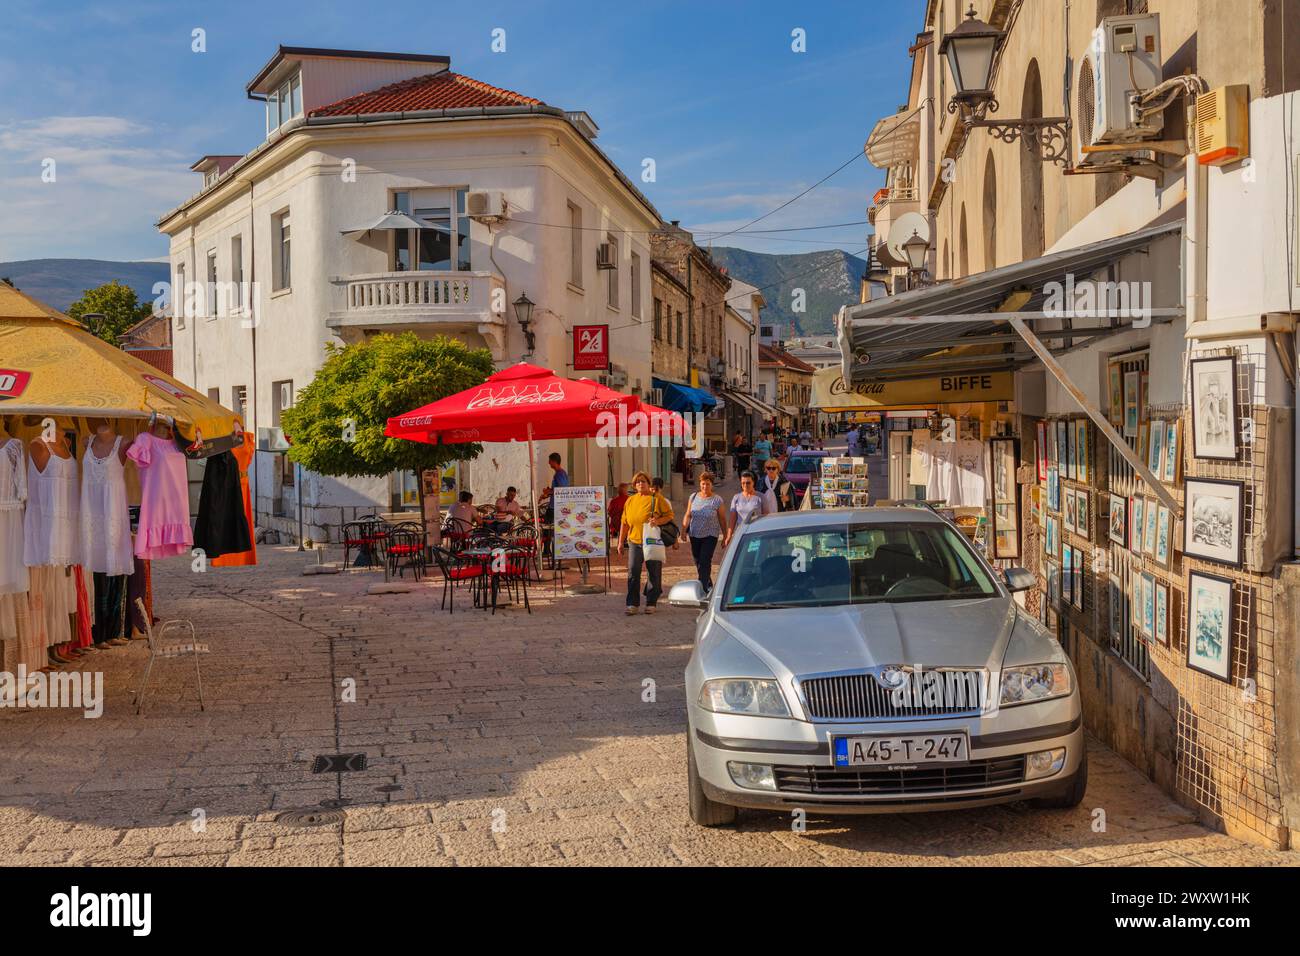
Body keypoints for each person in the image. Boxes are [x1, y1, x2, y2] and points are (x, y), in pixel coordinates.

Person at [616, 472, 674, 615]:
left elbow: (669, 515)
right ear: (634, 485)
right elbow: (624, 522)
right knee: (633, 572)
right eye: (638, 482)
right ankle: (632, 604)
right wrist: (620, 542)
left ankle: (651, 602)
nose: (640, 484)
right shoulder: (630, 500)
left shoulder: (656, 498)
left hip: (652, 541)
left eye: (643, 481)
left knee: (653, 572)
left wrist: (658, 521)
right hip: (634, 541)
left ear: (648, 484)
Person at [682, 471, 729, 594]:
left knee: (705, 560)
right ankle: (708, 583)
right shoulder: (693, 497)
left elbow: (722, 519)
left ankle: (702, 588)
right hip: (694, 534)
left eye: (708, 484)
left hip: (710, 535)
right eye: (703, 484)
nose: (705, 486)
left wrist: (725, 536)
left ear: (711, 485)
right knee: (698, 561)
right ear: (700, 484)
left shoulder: (717, 500)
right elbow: (688, 514)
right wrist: (683, 530)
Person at [727, 470, 771, 542]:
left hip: (756, 533)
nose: (745, 485)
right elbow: (732, 519)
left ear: (753, 482)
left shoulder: (761, 497)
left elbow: (766, 517)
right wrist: (729, 536)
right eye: (743, 483)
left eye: (748, 483)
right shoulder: (736, 498)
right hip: (741, 534)